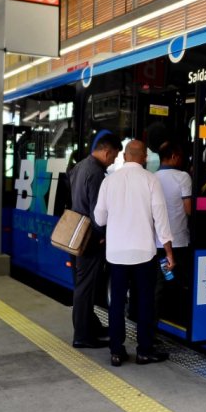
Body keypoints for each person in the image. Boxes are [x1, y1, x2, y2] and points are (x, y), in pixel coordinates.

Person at [94, 139, 174, 367]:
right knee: (145, 302)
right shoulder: (151, 180)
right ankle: (144, 351)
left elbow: (99, 218)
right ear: (144, 158)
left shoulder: (109, 182)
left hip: (117, 253)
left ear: (125, 156)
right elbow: (161, 218)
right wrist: (169, 251)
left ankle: (117, 352)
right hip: (144, 254)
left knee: (117, 302)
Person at [67, 132, 122, 348]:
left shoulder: (79, 166)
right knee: (85, 287)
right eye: (114, 157)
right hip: (89, 237)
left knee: (81, 285)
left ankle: (90, 327)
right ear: (107, 151)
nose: (113, 161)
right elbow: (98, 212)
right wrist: (103, 236)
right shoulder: (97, 174)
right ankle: (82, 336)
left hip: (75, 232)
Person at [154, 141, 192, 322]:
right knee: (170, 280)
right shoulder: (183, 177)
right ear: (175, 156)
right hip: (177, 242)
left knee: (162, 279)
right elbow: (188, 209)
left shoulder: (152, 177)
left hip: (156, 241)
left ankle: (157, 318)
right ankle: (167, 317)